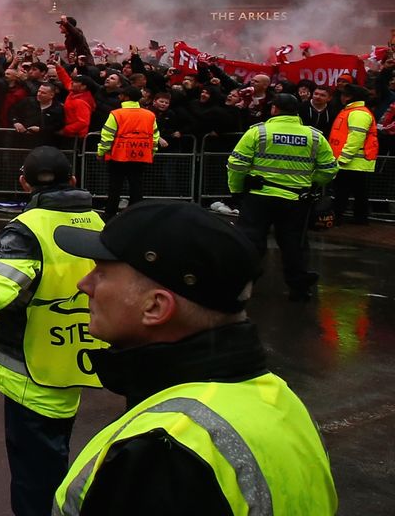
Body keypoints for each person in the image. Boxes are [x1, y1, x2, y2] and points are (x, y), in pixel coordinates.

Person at [51, 203, 337, 515]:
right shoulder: (280, 401)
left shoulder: (160, 455)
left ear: (155, 307)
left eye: (102, 273)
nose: (84, 284)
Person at [0, 146, 107, 516]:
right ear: (73, 180)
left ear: (23, 182)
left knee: (33, 479)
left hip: (31, 367)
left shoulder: (26, 227)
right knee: (54, 458)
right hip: (74, 353)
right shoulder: (98, 223)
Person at [228, 93, 338, 301]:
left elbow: (236, 164)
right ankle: (299, 287)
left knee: (251, 241)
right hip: (296, 200)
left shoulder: (258, 132)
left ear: (274, 109)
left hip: (259, 197)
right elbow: (330, 169)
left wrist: (236, 190)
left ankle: (241, 285)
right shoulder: (314, 136)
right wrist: (312, 184)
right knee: (294, 243)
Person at [97, 84, 165, 219]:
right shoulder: (149, 115)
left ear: (126, 97)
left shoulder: (116, 114)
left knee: (115, 186)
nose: (119, 96)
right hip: (141, 155)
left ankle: (110, 214)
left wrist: (101, 152)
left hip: (118, 156)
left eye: (121, 95)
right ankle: (136, 214)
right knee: (136, 186)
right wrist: (152, 152)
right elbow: (154, 136)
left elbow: (107, 135)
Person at [329, 82, 379, 225]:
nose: (341, 97)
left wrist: (343, 158)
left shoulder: (357, 113)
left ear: (349, 97)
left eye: (343, 94)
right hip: (354, 161)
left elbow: (355, 138)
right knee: (357, 192)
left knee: (343, 192)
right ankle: (359, 219)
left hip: (351, 161)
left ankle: (339, 218)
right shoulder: (355, 111)